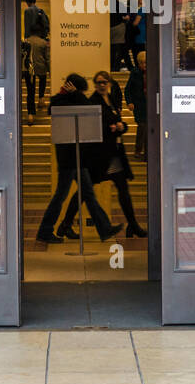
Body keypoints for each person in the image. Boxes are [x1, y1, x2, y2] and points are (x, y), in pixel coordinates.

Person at [34, 73, 123, 245]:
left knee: (88, 193)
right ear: (71, 87)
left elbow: (89, 109)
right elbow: (53, 109)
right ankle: (45, 231)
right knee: (61, 195)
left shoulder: (76, 98)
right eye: (79, 90)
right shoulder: (59, 99)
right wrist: (73, 94)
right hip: (68, 159)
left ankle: (104, 229)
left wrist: (76, 94)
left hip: (78, 157)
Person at [59, 70, 147, 238]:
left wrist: (121, 127)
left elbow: (119, 123)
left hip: (113, 155)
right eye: (98, 82)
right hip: (98, 157)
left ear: (109, 83)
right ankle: (65, 224)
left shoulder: (112, 100)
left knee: (122, 189)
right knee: (85, 191)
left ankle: (133, 225)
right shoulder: (93, 102)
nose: (101, 85)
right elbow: (95, 127)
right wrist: (113, 128)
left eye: (104, 82)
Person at [126, 50, 149, 160]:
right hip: (139, 105)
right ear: (138, 63)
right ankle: (138, 150)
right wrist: (129, 102)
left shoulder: (153, 71)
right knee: (142, 126)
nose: (144, 65)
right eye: (142, 63)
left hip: (150, 105)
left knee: (148, 128)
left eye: (146, 63)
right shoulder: (134, 73)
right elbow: (128, 90)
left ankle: (147, 152)